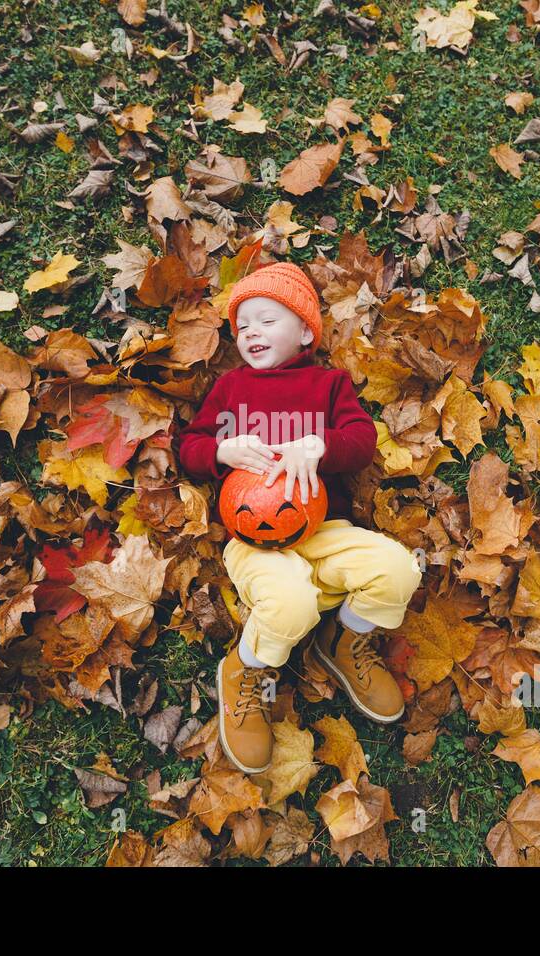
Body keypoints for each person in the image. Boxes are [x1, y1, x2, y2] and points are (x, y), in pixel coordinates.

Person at [174, 260, 423, 773]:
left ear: (305, 330)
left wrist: (318, 446)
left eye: (267, 320)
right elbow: (188, 448)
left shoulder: (328, 386)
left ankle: (343, 638)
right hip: (252, 539)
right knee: (290, 604)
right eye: (242, 326)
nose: (250, 333)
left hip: (322, 531)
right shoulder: (230, 391)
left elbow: (361, 441)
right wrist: (222, 451)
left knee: (399, 571)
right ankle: (244, 669)